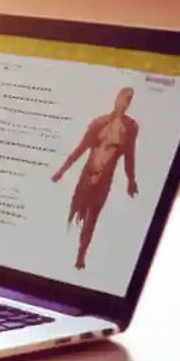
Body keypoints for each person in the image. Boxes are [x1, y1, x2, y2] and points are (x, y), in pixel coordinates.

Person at [50, 87, 140, 270]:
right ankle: (61, 249)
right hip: (87, 175)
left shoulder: (130, 128)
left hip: (104, 179)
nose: (123, 103)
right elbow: (80, 148)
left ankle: (81, 256)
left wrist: (131, 180)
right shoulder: (99, 123)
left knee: (92, 218)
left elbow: (129, 156)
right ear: (115, 99)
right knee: (75, 211)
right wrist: (62, 171)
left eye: (128, 100)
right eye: (122, 98)